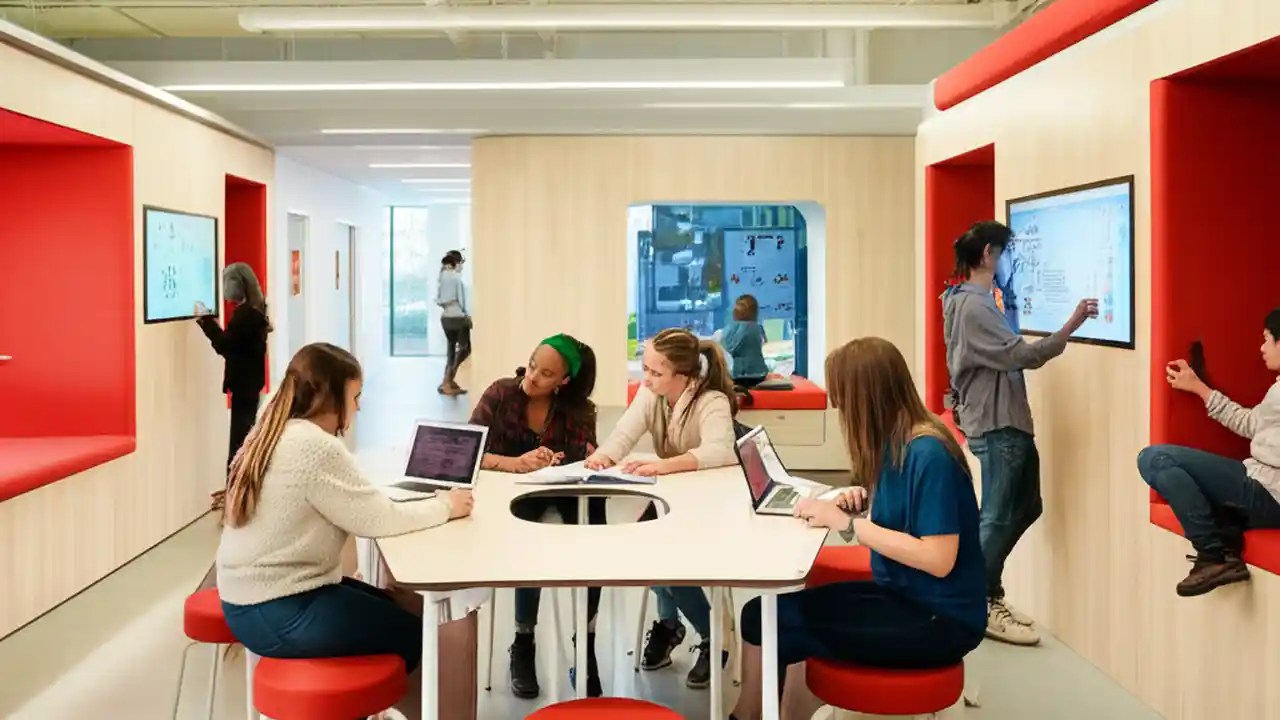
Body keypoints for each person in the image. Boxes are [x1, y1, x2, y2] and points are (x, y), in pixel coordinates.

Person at [729, 337, 986, 720]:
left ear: (867, 398)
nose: (839, 409)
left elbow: (938, 558)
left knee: (773, 622)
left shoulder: (927, 454)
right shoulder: (899, 442)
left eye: (843, 399)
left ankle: (748, 716)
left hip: (938, 621)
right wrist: (864, 500)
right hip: (906, 595)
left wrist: (849, 525)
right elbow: (908, 510)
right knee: (767, 615)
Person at [216, 343, 476, 717]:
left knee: (405, 608)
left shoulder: (273, 428)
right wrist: (445, 506)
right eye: (355, 396)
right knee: (411, 633)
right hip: (277, 607)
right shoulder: (315, 447)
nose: (358, 407)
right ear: (331, 396)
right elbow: (378, 519)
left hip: (252, 598)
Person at [942, 220, 1097, 646]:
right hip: (998, 425)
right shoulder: (973, 307)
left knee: (1027, 507)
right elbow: (1024, 355)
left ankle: (984, 590)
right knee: (995, 517)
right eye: (1009, 254)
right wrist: (1072, 324)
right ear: (990, 255)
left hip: (1001, 421)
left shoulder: (968, 300)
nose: (1015, 263)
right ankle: (977, 599)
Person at [585, 327, 737, 689]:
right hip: (671, 501)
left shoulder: (711, 400)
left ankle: (714, 637)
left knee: (667, 567)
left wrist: (665, 465)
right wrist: (603, 457)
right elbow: (624, 433)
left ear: (682, 376)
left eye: (656, 372)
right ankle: (670, 625)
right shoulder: (651, 395)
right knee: (643, 554)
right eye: (646, 369)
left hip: (710, 505)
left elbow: (722, 451)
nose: (647, 378)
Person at [468, 334, 607, 699]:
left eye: (546, 374)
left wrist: (560, 460)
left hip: (559, 488)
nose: (532, 377)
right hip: (510, 495)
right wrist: (514, 464)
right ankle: (523, 640)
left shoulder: (578, 409)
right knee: (528, 535)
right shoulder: (500, 394)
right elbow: (465, 450)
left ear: (563, 382)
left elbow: (587, 459)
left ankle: (585, 640)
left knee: (596, 523)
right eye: (532, 366)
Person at [1138, 309, 1280, 596]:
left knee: (1153, 459)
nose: (1261, 348)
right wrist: (1199, 388)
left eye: (1267, 339)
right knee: (1155, 460)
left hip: (1268, 494)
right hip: (1257, 479)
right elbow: (1251, 423)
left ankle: (1213, 554)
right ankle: (1221, 543)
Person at [196, 262, 271, 472]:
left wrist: (206, 321)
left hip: (244, 384)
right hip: (251, 383)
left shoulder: (245, 314)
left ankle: (237, 489)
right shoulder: (257, 309)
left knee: (239, 442)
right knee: (244, 436)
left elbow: (225, 345)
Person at [437, 249, 472, 396]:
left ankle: (448, 382)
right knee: (465, 349)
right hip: (458, 318)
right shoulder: (456, 278)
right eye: (461, 263)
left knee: (451, 352)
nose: (462, 267)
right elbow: (462, 302)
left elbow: (439, 300)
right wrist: (468, 316)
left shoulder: (441, 278)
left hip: (445, 319)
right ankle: (447, 380)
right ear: (456, 263)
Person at [721, 294, 769, 387]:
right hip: (760, 373)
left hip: (739, 373)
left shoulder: (733, 328)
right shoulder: (758, 328)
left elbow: (728, 347)